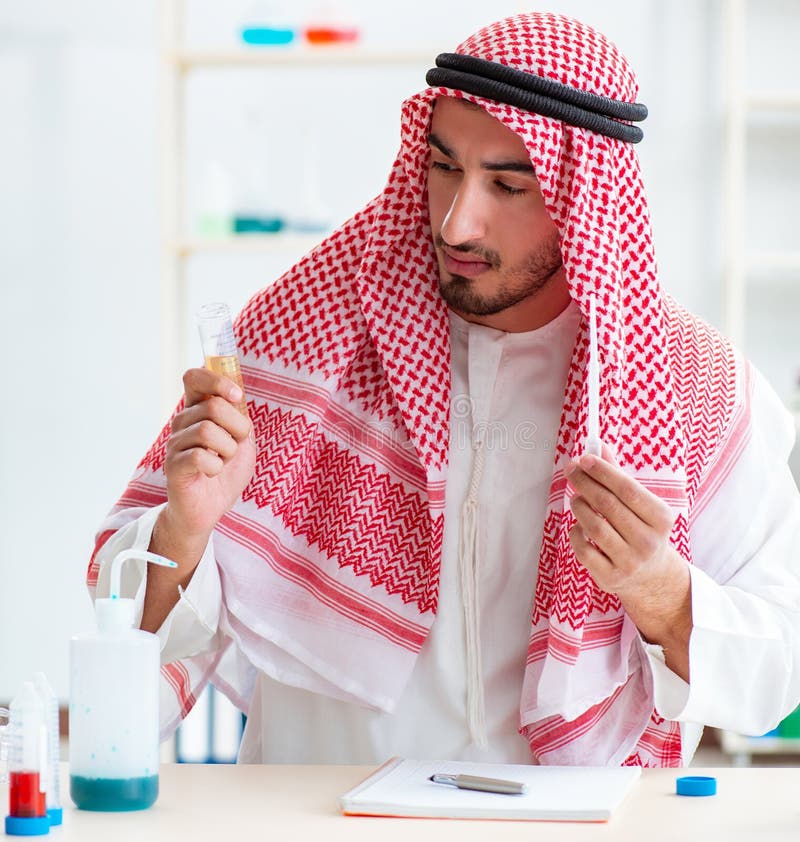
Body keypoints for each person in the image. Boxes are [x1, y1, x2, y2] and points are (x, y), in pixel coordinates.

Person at [88, 12, 800, 767]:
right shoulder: (297, 346)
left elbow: (780, 665)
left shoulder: (694, 390)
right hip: (321, 819)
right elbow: (121, 650)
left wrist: (663, 594)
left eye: (508, 184)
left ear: (580, 198)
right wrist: (186, 534)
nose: (458, 222)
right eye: (443, 168)